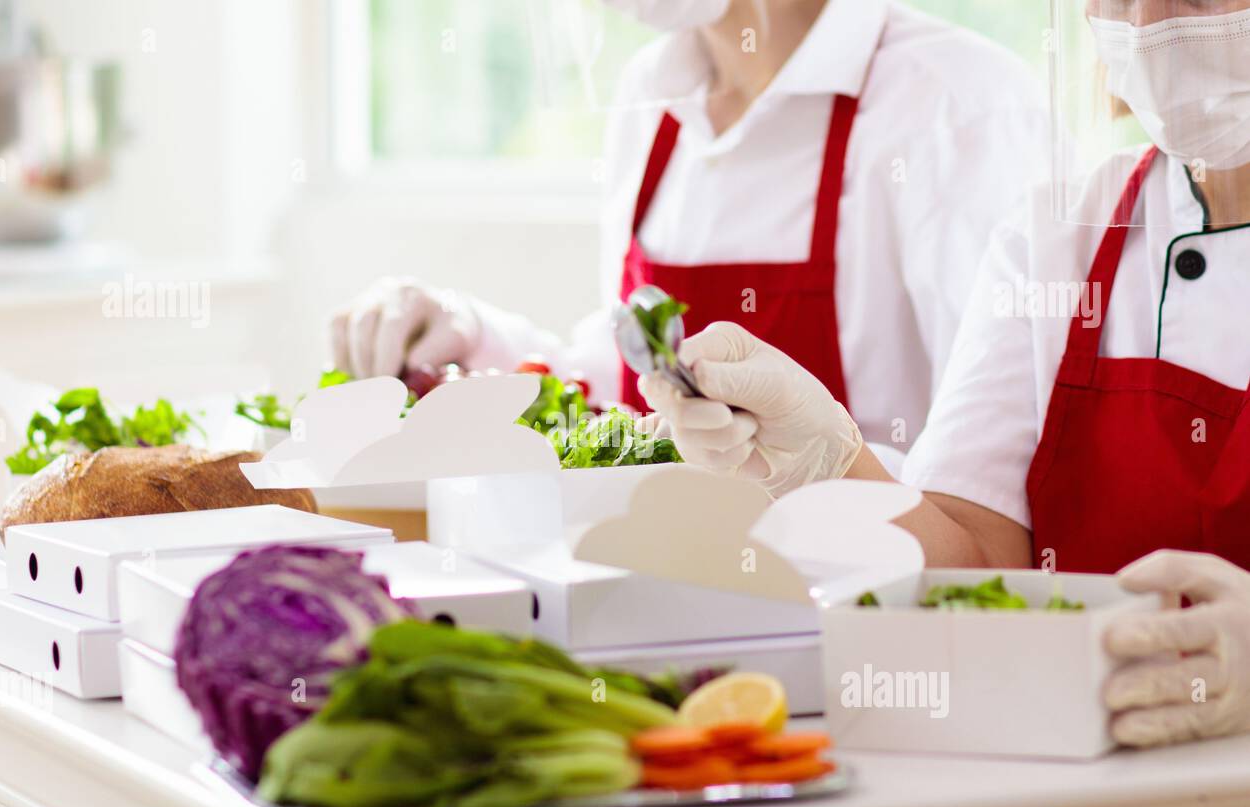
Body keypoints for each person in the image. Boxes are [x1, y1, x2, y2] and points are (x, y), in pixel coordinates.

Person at [640, 0, 1250, 747]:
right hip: (1074, 800)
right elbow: (977, 567)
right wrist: (825, 461)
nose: (1148, 18)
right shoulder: (1056, 240)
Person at [328, 0, 1047, 464]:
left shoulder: (957, 105)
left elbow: (995, 470)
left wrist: (826, 470)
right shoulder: (653, 92)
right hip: (658, 592)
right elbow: (636, 382)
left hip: (850, 614)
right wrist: (470, 335)